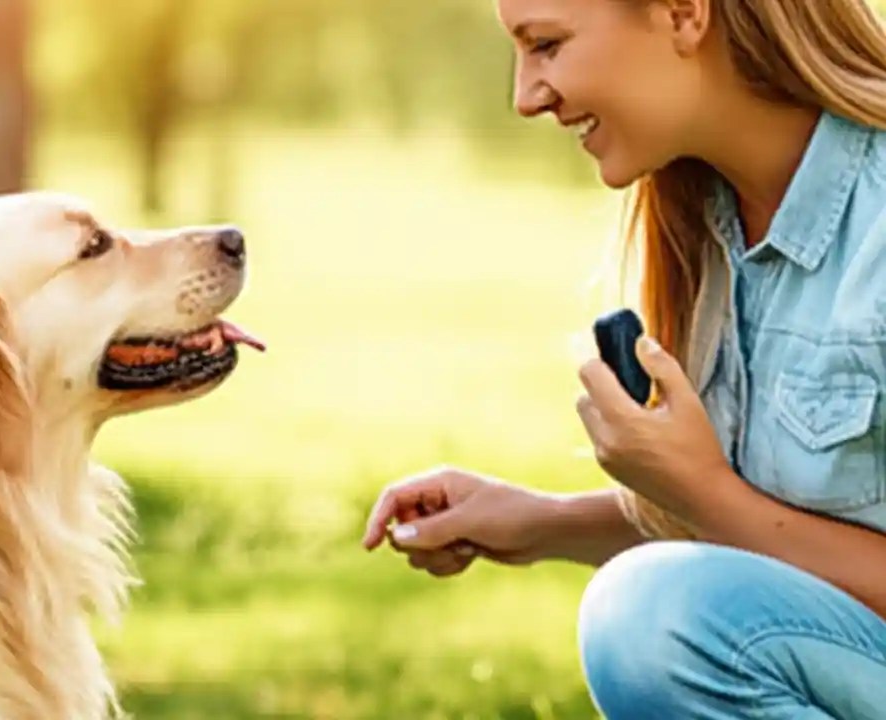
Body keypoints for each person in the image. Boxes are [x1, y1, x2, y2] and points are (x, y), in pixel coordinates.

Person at [361, 1, 886, 717]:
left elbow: (731, 523)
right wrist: (543, 520)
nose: (525, 97)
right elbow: (784, 536)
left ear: (683, 13)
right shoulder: (707, 221)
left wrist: (705, 492)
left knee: (653, 621)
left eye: (546, 45)